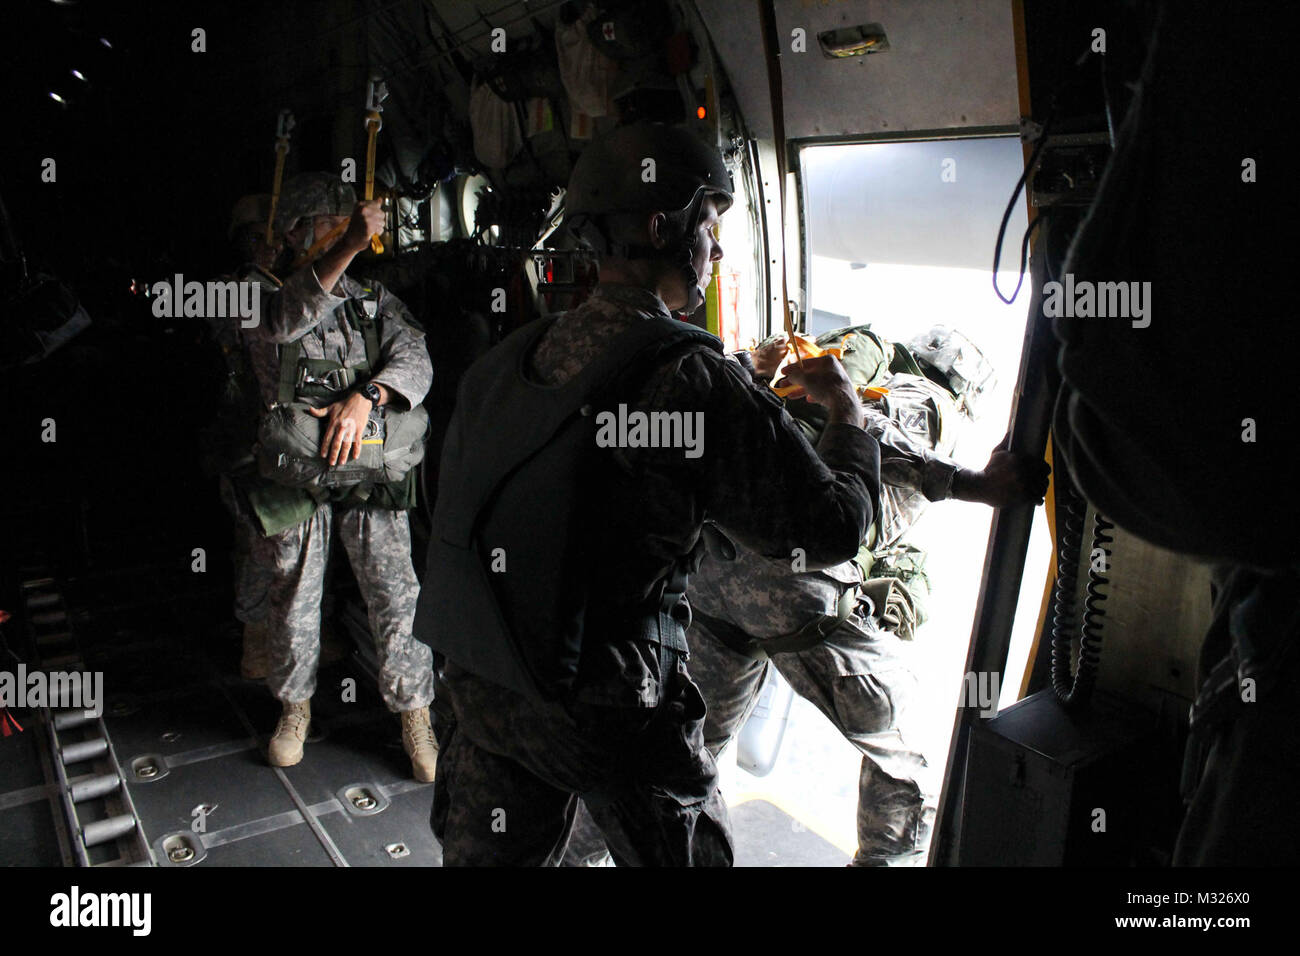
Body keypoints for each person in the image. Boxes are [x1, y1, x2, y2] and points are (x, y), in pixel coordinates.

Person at [415, 120, 882, 866]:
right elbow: (830, 528)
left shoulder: (507, 359)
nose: (719, 249)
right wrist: (849, 416)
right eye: (710, 225)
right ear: (664, 227)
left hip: (479, 690)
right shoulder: (691, 378)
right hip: (602, 713)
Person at [563, 326, 1049, 866]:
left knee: (675, 761)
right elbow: (879, 436)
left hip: (709, 581)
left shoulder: (813, 377)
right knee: (908, 755)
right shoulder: (924, 401)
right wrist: (972, 483)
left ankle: (566, 857)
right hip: (788, 591)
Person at [239, 172, 438, 781]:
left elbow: (415, 356)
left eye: (345, 227)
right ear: (299, 232)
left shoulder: (372, 297)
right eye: (331, 226)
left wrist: (368, 398)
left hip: (366, 466)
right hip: (297, 475)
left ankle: (415, 716)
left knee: (396, 593)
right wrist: (346, 245)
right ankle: (294, 710)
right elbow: (280, 329)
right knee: (295, 595)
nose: (342, 235)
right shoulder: (261, 294)